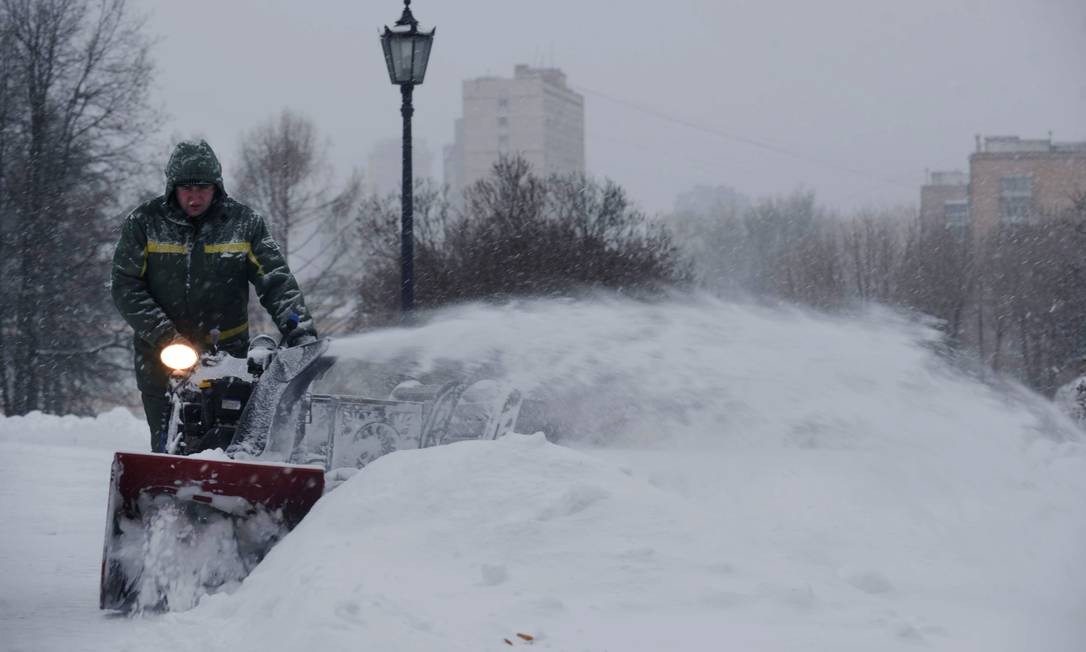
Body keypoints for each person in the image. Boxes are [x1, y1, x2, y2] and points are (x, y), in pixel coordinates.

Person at [111, 139, 318, 451]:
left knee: (230, 439)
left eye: (203, 189)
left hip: (228, 356)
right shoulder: (144, 224)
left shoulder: (244, 224)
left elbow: (276, 282)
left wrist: (299, 329)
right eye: (187, 189)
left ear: (217, 187)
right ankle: (171, 490)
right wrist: (167, 336)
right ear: (172, 188)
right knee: (168, 443)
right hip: (161, 357)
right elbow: (126, 287)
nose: (195, 197)